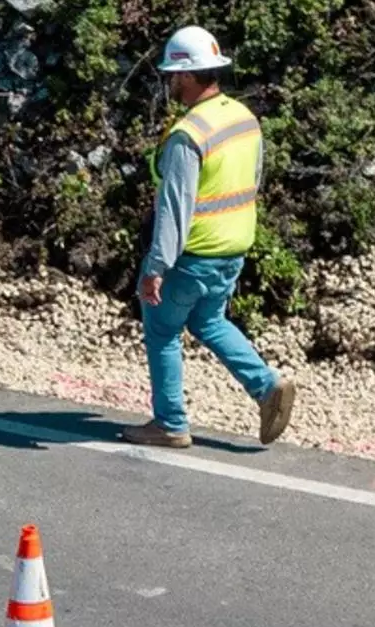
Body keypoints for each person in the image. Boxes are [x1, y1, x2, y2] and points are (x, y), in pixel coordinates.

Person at [128, 26, 297, 451]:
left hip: (193, 252)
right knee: (209, 320)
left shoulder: (189, 134)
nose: (170, 82)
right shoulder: (243, 118)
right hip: (234, 246)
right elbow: (255, 179)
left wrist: (155, 267)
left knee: (162, 331)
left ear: (187, 76)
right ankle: (266, 384)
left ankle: (170, 423)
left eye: (173, 75)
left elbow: (175, 208)